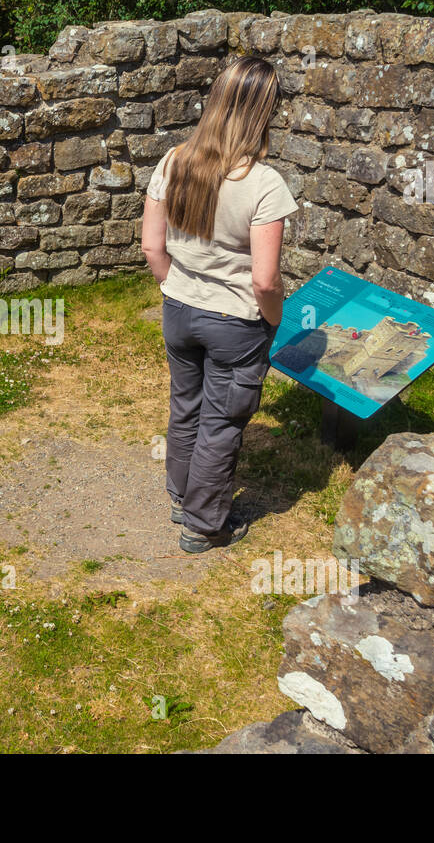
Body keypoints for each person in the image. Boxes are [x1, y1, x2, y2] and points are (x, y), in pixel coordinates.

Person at [140, 56, 297, 554]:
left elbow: (151, 247)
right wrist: (274, 320)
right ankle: (205, 524)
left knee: (185, 406)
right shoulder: (265, 184)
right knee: (222, 422)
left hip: (178, 309)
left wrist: (179, 287)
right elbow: (266, 279)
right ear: (263, 112)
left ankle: (182, 497)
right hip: (236, 320)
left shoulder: (174, 160)